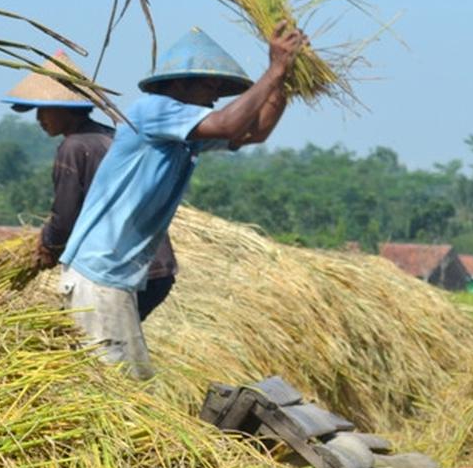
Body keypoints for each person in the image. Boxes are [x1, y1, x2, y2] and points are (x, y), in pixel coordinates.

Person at [59, 22, 306, 379]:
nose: (215, 96)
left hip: (115, 278)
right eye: (209, 85)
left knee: (130, 387)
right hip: (99, 277)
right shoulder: (152, 111)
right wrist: (274, 69)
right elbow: (226, 124)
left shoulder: (183, 135)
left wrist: (284, 80)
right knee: (117, 393)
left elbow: (252, 132)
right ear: (177, 84)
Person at [1, 52, 177, 321]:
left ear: (65, 108)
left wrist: (48, 245)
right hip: (155, 267)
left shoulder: (74, 147)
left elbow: (65, 216)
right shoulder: (110, 137)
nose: (39, 118)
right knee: (110, 343)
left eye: (44, 109)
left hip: (121, 270)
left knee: (93, 348)